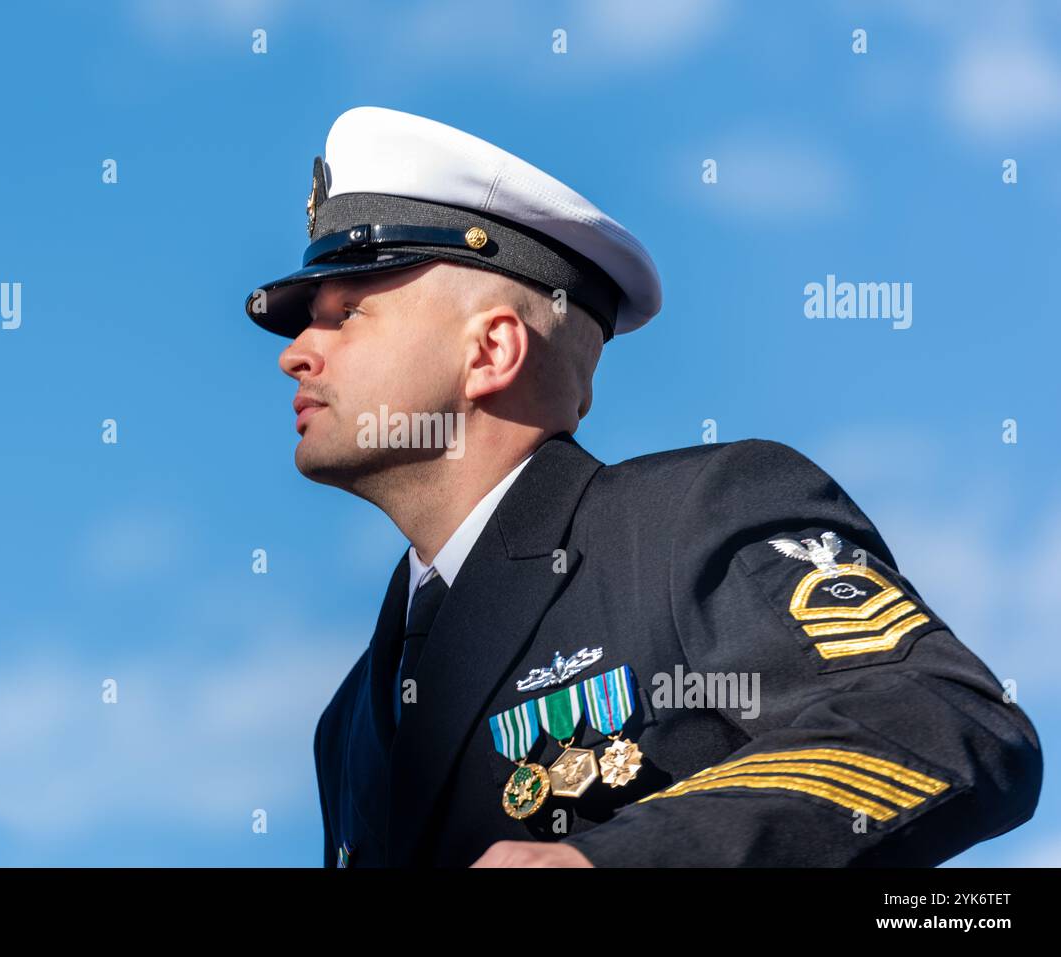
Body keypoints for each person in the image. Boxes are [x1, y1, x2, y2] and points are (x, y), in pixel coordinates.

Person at [243, 106, 1043, 867]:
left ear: (490, 351)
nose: (296, 353)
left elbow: (942, 712)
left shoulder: (693, 519)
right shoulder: (347, 720)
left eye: (345, 315)